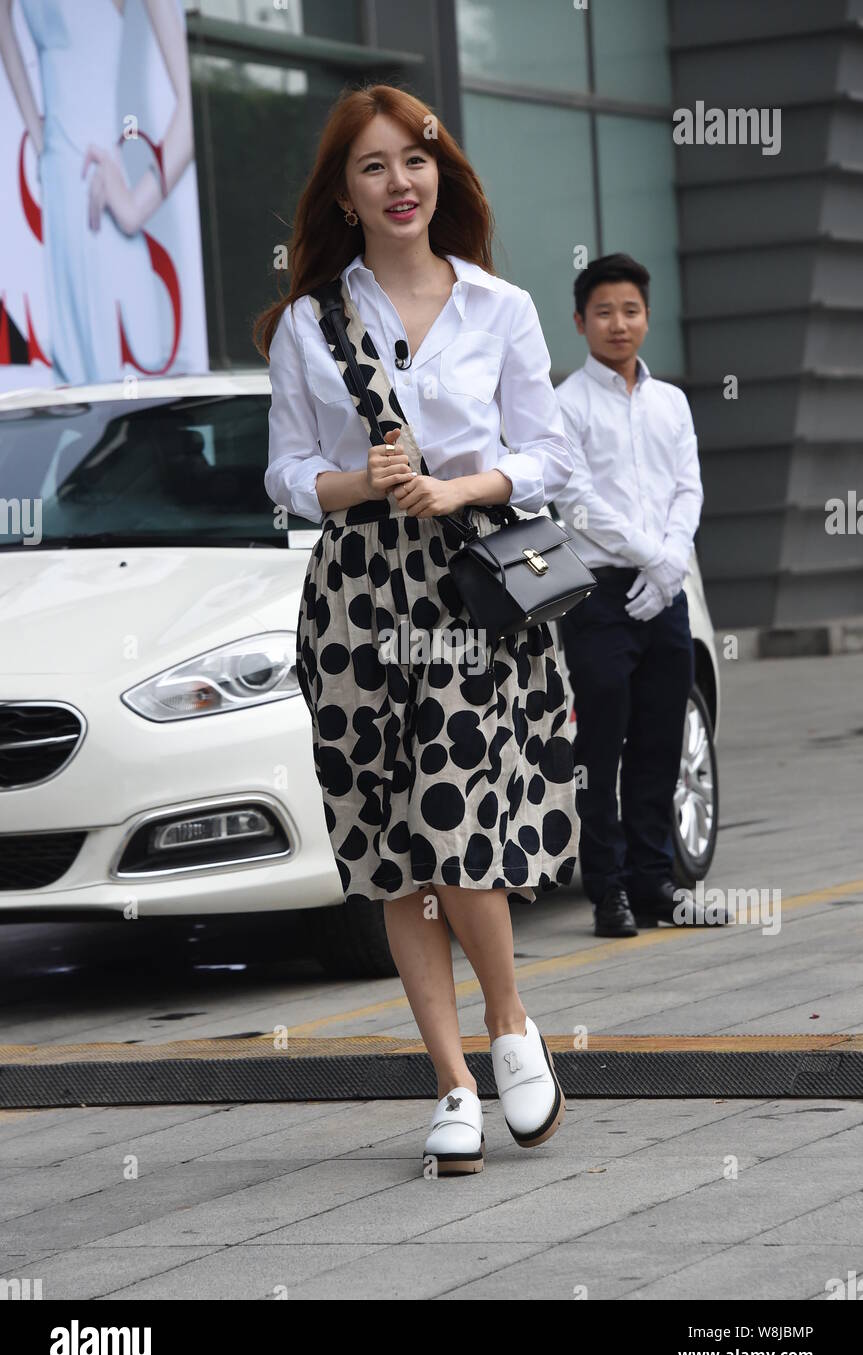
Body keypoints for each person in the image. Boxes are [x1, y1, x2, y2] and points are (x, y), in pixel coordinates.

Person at [254, 83, 577, 1176]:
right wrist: (359, 479)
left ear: (441, 172)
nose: (399, 182)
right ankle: (448, 1082)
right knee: (393, 852)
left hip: (468, 591)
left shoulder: (502, 307)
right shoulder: (308, 323)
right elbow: (286, 475)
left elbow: (549, 455)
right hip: (351, 600)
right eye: (372, 167)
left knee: (452, 818)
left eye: (414, 160)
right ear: (342, 195)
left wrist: (467, 483)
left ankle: (509, 1026)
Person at [555, 253, 705, 938]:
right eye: (605, 312)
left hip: (665, 591)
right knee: (601, 751)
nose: (619, 324)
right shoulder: (564, 405)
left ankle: (656, 884)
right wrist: (651, 557)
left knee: (658, 743)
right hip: (598, 597)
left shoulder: (670, 401)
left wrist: (670, 565)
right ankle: (607, 892)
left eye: (631, 310)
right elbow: (574, 502)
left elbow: (687, 487)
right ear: (581, 321)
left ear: (646, 317)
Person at [0, 0, 194, 384]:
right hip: (60, 209)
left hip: (100, 213)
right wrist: (45, 144)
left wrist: (135, 206)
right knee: (75, 397)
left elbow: (192, 114)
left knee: (124, 406)